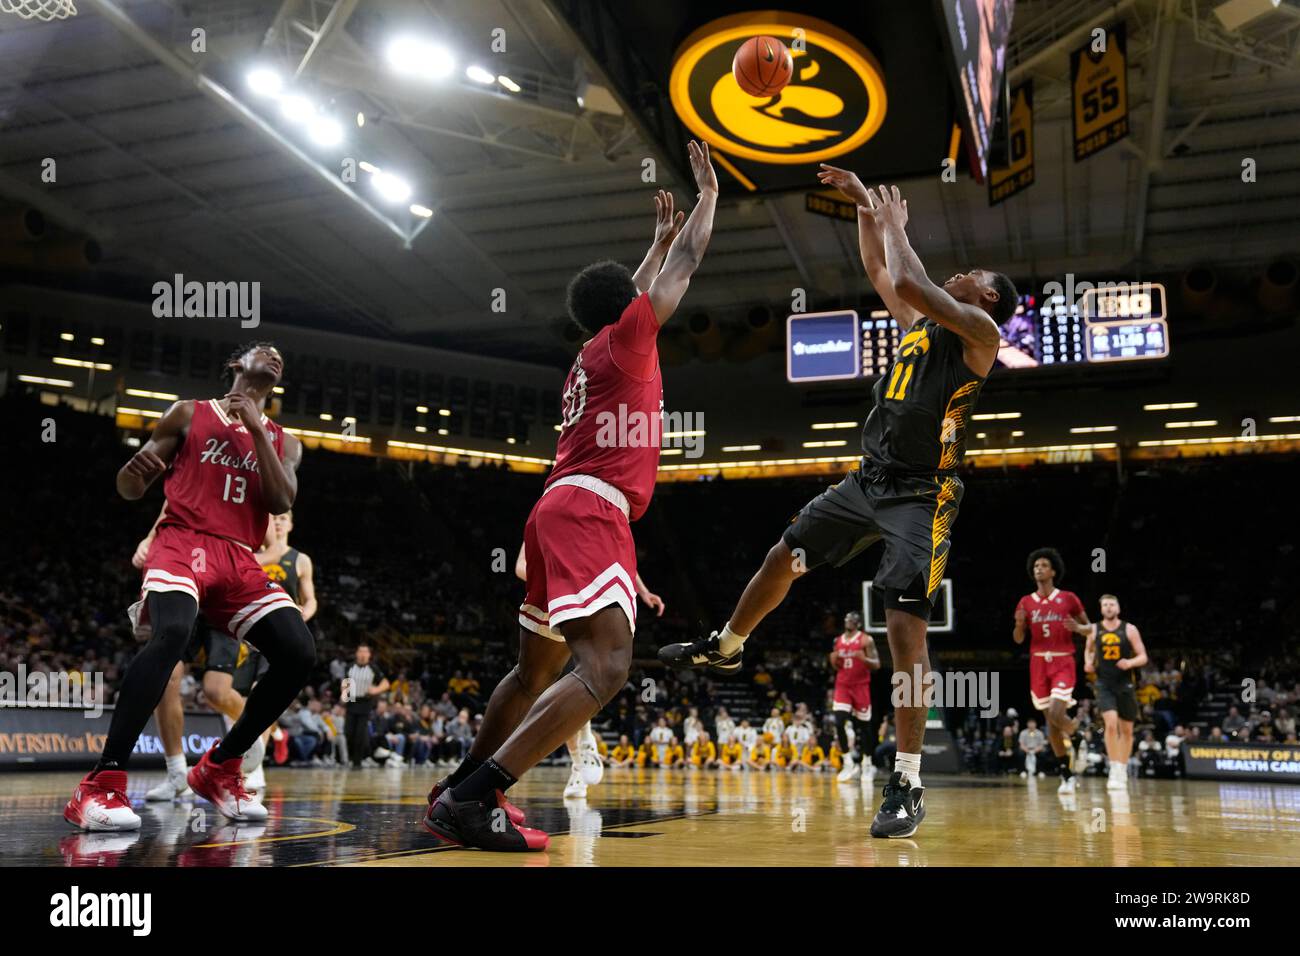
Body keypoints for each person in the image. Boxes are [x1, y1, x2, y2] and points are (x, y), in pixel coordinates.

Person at [660, 170, 1017, 840]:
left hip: (923, 494)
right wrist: (862, 207)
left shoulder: (979, 334)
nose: (961, 275)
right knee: (783, 555)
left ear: (986, 295)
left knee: (904, 630)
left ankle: (907, 780)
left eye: (971, 272)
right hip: (871, 479)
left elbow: (909, 279)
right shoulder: (921, 325)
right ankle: (727, 645)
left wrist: (897, 224)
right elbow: (882, 271)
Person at [422, 142, 719, 851]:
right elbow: (687, 267)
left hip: (558, 509)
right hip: (589, 512)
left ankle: (455, 788)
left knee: (532, 672)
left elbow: (641, 286)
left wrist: (652, 245)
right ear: (631, 309)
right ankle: (474, 795)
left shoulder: (593, 351)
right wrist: (709, 199)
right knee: (608, 666)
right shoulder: (629, 342)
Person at [65, 343, 314, 831]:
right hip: (183, 540)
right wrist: (130, 476)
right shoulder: (188, 414)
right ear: (235, 364)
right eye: (263, 349)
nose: (275, 354)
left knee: (298, 651)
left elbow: (281, 498)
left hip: (238, 557)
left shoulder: (285, 441)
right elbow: (130, 486)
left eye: (281, 353)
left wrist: (257, 428)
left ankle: (220, 768)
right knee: (172, 634)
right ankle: (101, 783)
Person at [508, 541, 665, 800]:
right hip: (546, 610)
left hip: (582, 609)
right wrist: (560, 578)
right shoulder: (543, 518)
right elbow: (521, 568)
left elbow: (621, 555)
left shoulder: (590, 518)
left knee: (577, 682)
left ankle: (581, 761)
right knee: (553, 691)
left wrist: (643, 592)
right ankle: (581, 754)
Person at [1012, 547, 1089, 793]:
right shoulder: (1025, 602)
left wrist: (1077, 627)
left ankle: (1079, 737)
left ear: (1053, 571)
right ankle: (1066, 773)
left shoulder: (1069, 598)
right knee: (1052, 725)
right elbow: (1017, 639)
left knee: (1057, 713)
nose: (1039, 568)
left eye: (1043, 565)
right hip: (1037, 663)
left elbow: (1090, 629)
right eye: (1036, 566)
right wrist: (1019, 623)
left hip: (1063, 660)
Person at [1071, 594, 1147, 789]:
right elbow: (1088, 650)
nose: (1108, 607)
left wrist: (1129, 662)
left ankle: (1122, 767)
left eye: (1112, 604)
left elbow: (1143, 656)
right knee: (1111, 724)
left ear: (1118, 608)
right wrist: (1088, 662)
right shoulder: (1094, 630)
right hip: (1104, 683)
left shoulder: (1129, 629)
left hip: (1125, 684)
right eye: (1105, 605)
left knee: (1127, 730)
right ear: (1101, 608)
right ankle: (1114, 767)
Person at [828, 611, 880, 782]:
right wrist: (833, 661)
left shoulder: (866, 640)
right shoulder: (838, 640)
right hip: (843, 685)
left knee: (864, 727)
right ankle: (848, 762)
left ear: (858, 623)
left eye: (851, 620)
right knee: (838, 722)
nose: (847, 622)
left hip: (861, 686)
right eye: (846, 619)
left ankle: (866, 763)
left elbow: (877, 664)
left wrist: (864, 659)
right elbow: (838, 666)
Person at [342, 644, 389, 768]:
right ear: (357, 653)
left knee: (360, 734)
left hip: (365, 703)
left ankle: (357, 762)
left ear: (369, 655)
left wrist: (376, 690)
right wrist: (343, 696)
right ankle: (351, 758)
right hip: (351, 702)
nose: (363, 654)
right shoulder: (349, 666)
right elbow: (345, 684)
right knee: (348, 732)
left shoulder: (373, 668)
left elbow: (385, 683)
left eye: (365, 652)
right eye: (360, 651)